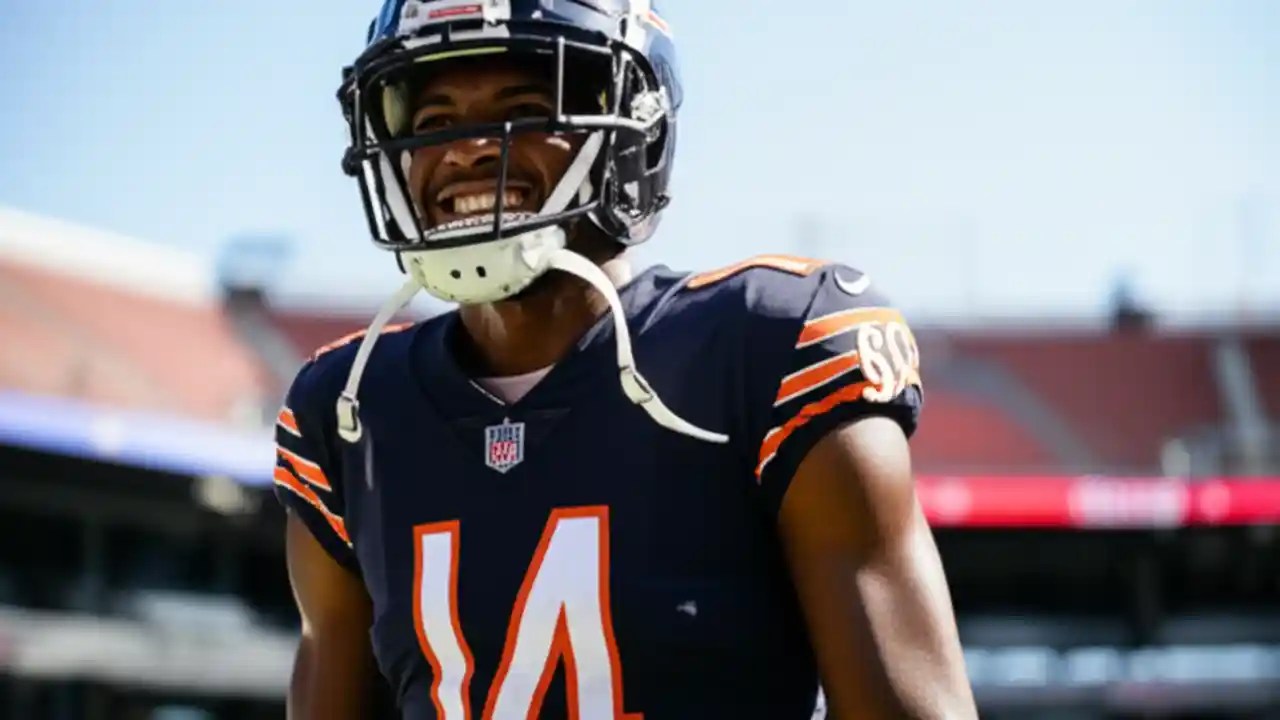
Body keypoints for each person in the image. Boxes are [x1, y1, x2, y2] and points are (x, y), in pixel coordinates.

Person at [274, 1, 977, 718]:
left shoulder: (769, 346)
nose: (468, 147)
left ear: (634, 135)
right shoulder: (348, 410)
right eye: (433, 122)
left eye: (523, 104)